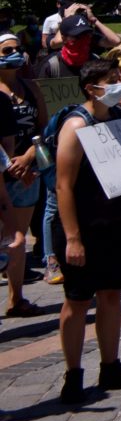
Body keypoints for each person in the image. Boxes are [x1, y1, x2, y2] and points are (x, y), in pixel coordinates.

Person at [50, 58, 121, 403]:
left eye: (118, 78)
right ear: (90, 88)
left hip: (113, 221)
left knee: (111, 295)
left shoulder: (118, 116)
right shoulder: (76, 125)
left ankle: (110, 365)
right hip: (82, 225)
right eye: (110, 80)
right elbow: (63, 186)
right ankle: (73, 375)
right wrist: (73, 238)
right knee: (78, 301)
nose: (118, 84)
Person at [1, 32, 45, 318]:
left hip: (27, 171)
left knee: (18, 240)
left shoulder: (30, 87)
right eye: (6, 51)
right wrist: (8, 165)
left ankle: (16, 298)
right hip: (4, 172)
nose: (14, 54)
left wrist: (29, 156)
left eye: (17, 49)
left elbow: (44, 127)